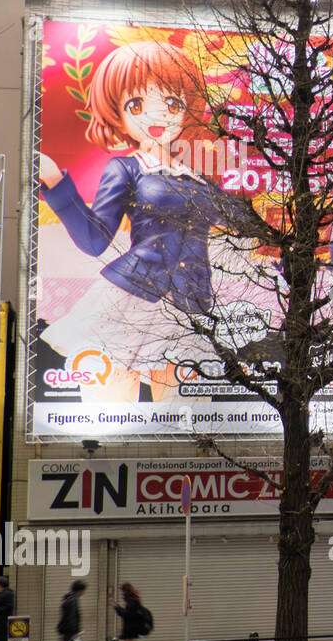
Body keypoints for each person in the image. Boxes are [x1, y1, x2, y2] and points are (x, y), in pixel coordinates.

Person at [36, 39, 257, 405]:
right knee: (110, 407)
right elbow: (95, 240)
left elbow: (244, 223)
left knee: (189, 414)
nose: (157, 117)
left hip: (190, 304)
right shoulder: (127, 168)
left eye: (171, 103)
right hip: (129, 297)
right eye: (136, 104)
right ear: (117, 112)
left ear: (188, 108)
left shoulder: (201, 178)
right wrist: (57, 184)